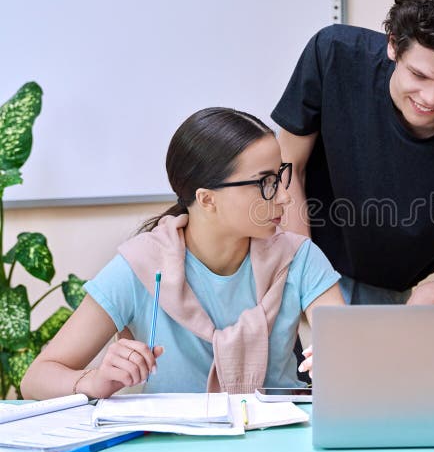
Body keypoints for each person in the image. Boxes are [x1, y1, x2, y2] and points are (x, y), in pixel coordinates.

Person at [21, 108, 344, 400]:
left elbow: (350, 347)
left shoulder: (299, 257)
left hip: (279, 443)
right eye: (267, 183)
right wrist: (93, 381)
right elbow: (36, 379)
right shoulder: (141, 265)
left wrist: (342, 362)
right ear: (206, 199)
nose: (285, 197)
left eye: (281, 176)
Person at [272, 0, 434, 305]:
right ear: (392, 45)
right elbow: (288, 168)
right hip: (295, 259)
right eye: (418, 75)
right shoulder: (335, 55)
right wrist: (307, 281)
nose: (430, 97)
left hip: (385, 291)